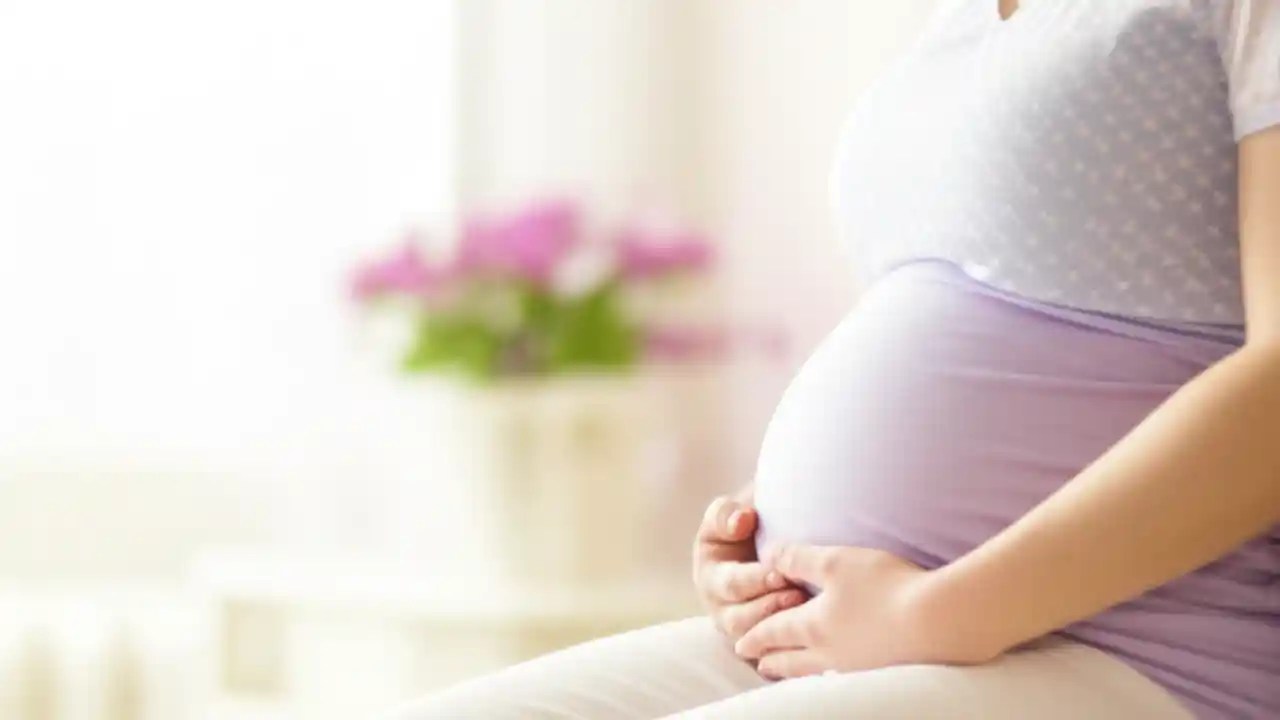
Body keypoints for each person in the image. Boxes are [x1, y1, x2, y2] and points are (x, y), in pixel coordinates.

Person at [393, 1, 1280, 717]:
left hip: (1145, 654)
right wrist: (769, 538)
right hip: (864, 634)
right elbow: (953, 331)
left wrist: (937, 613)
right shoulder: (959, 21)